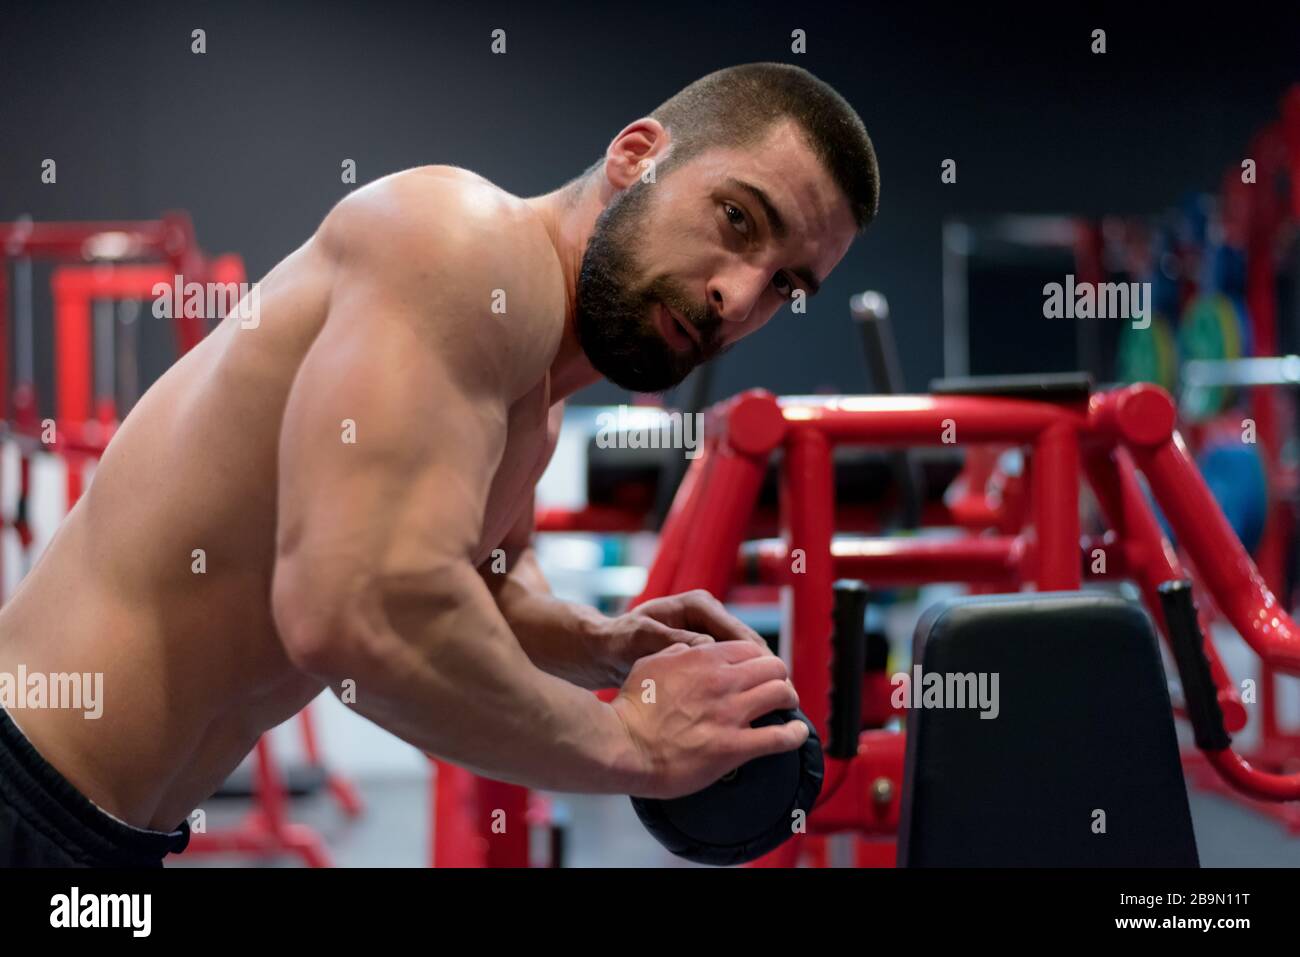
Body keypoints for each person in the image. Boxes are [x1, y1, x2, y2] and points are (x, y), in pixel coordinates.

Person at [0, 62, 878, 866]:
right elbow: (360, 609)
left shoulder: (537, 392)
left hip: (111, 837)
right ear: (636, 156)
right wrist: (633, 744)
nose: (738, 296)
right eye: (737, 219)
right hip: (23, 785)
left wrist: (602, 644)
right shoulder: (465, 248)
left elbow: (488, 581)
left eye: (785, 285)